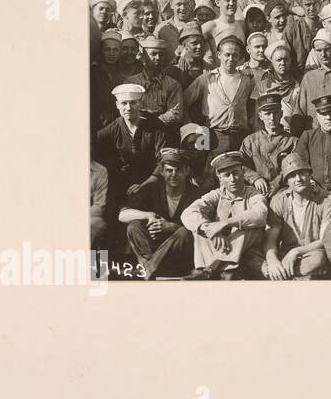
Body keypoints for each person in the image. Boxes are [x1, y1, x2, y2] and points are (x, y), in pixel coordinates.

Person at [180, 151, 269, 279]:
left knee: (242, 229)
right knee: (200, 228)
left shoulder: (253, 194)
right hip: (222, 244)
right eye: (227, 175)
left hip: (249, 247)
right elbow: (188, 212)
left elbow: (260, 214)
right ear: (219, 177)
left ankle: (213, 269)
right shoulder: (217, 194)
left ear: (242, 172)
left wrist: (225, 223)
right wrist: (211, 230)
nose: (232, 179)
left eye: (236, 173)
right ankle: (206, 270)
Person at [119, 147, 201, 277]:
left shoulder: (197, 193)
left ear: (187, 171)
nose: (173, 174)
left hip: (179, 251)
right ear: (161, 171)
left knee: (184, 232)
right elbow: (122, 215)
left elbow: (203, 228)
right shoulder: (150, 189)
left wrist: (173, 227)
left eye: (178, 170)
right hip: (153, 247)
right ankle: (154, 267)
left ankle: (148, 269)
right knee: (134, 225)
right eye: (169, 170)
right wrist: (148, 215)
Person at [183, 32, 257, 155]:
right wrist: (191, 126)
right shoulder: (207, 78)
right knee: (210, 170)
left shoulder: (247, 80)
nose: (231, 59)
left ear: (239, 57)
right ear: (219, 55)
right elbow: (184, 101)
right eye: (227, 55)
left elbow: (253, 108)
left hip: (240, 136)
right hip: (212, 134)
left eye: (235, 55)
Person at [95, 83, 165, 210]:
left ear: (140, 103)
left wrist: (146, 183)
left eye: (133, 103)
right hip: (123, 183)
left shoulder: (156, 125)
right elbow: (94, 145)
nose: (128, 108)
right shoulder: (114, 128)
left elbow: (164, 159)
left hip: (152, 180)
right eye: (124, 103)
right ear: (117, 105)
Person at [265, 154, 331, 279]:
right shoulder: (279, 200)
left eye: (302, 173)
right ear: (286, 181)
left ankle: (278, 274)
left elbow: (324, 240)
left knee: (318, 260)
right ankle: (285, 273)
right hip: (284, 253)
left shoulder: (327, 199)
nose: (298, 179)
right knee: (253, 255)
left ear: (310, 174)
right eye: (291, 176)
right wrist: (272, 260)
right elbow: (271, 239)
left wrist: (295, 252)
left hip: (311, 252)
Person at [240, 92, 298, 194]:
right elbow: (242, 165)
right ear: (260, 116)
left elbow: (293, 167)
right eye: (267, 114)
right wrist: (255, 178)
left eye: (275, 112)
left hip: (283, 189)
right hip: (256, 189)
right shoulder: (250, 140)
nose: (272, 118)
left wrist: (276, 184)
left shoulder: (292, 141)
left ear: (281, 113)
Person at [129, 36, 184, 138]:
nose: (158, 58)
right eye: (153, 54)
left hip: (163, 134)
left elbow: (176, 114)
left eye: (161, 55)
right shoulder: (131, 83)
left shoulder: (173, 84)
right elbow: (128, 110)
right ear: (144, 57)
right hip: (137, 134)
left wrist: (153, 122)